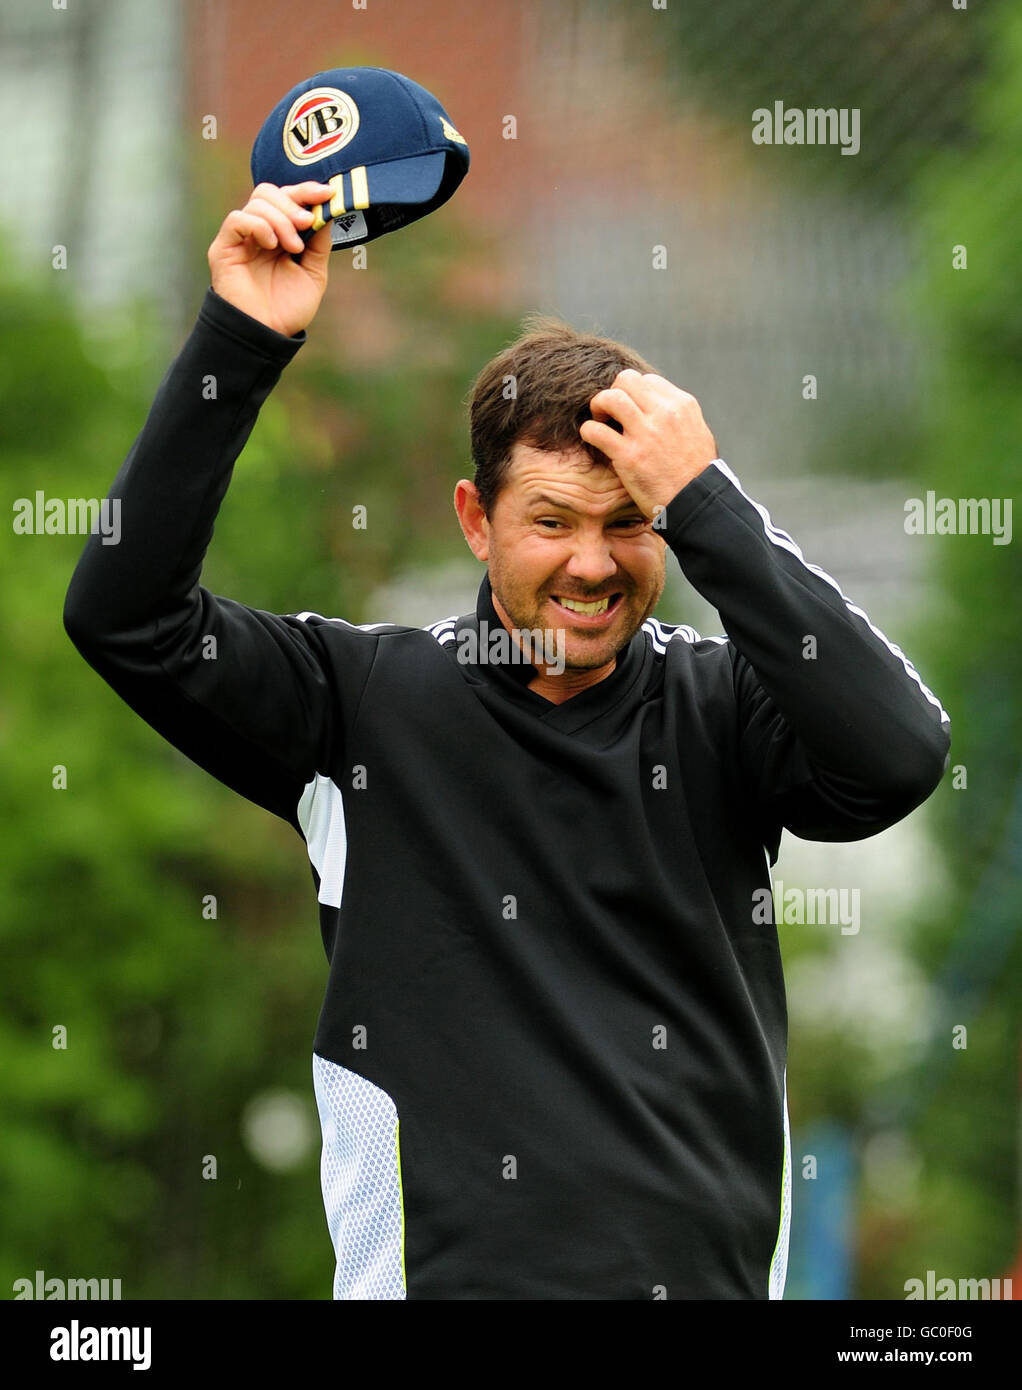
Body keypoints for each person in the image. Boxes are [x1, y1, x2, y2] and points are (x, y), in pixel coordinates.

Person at [63, 180, 951, 1300]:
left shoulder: (724, 707)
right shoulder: (360, 702)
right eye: (550, 521)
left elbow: (899, 752)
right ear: (475, 522)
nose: (591, 562)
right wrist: (238, 338)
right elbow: (124, 618)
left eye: (628, 522)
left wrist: (706, 502)